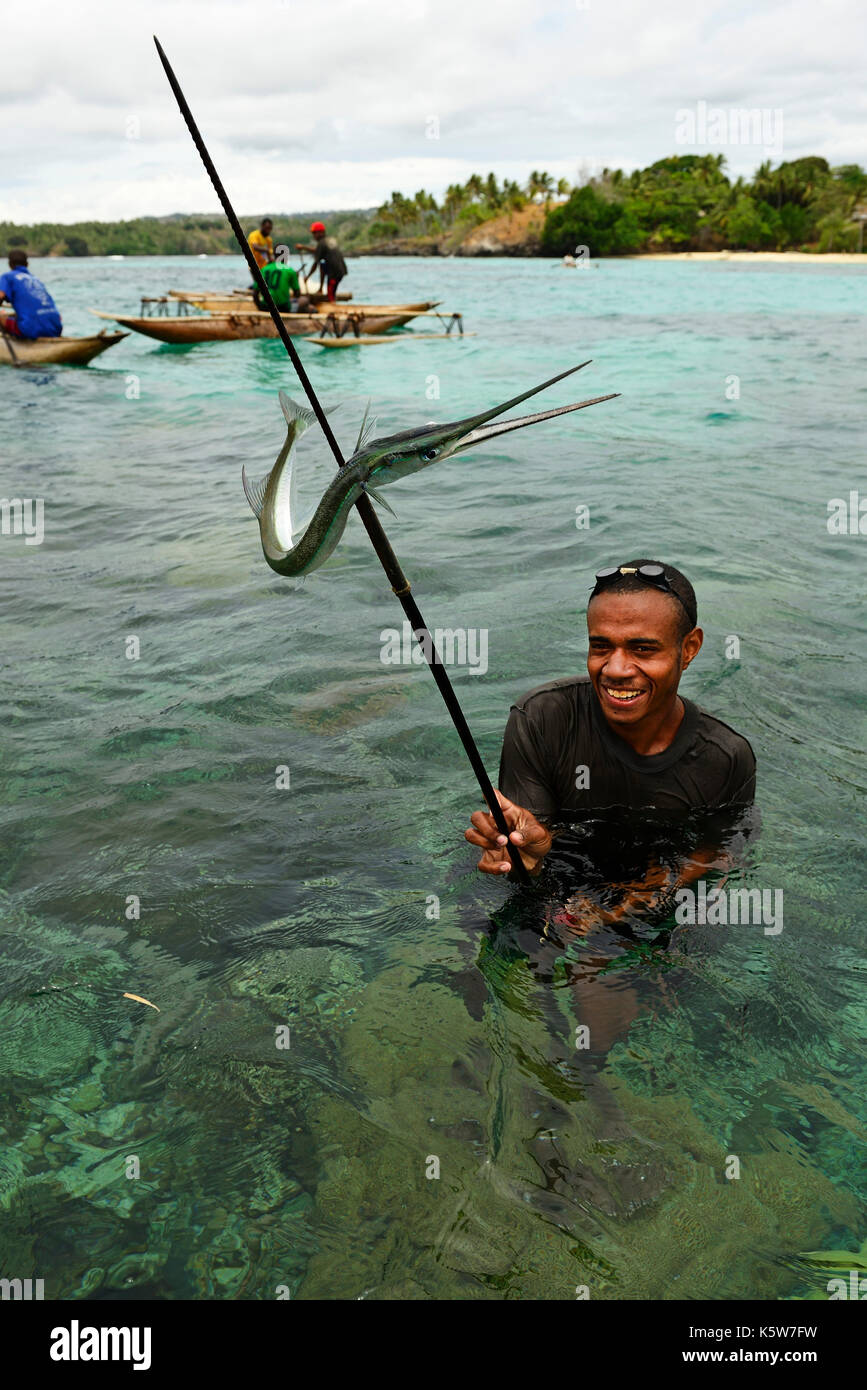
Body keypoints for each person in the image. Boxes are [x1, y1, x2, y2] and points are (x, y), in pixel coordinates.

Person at [465, 559, 756, 933]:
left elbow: (716, 859)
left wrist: (623, 911)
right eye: (600, 646)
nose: (616, 669)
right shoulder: (541, 718)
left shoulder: (726, 758)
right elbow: (527, 864)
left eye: (643, 649)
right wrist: (526, 856)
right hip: (559, 899)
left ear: (689, 648)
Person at [0, 251, 62, 338]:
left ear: (10, 264)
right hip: (56, 327)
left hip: (31, 328)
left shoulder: (7, 277)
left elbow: (1, 296)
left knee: (1, 317)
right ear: (27, 264)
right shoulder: (36, 280)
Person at [295, 221, 347, 302]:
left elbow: (315, 264)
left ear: (322, 232)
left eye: (315, 233)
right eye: (313, 233)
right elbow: (317, 251)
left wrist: (307, 277)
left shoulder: (322, 243)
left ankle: (332, 308)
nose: (314, 235)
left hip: (334, 273)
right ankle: (321, 290)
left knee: (330, 296)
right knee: (322, 264)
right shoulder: (330, 240)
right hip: (340, 271)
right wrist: (303, 247)